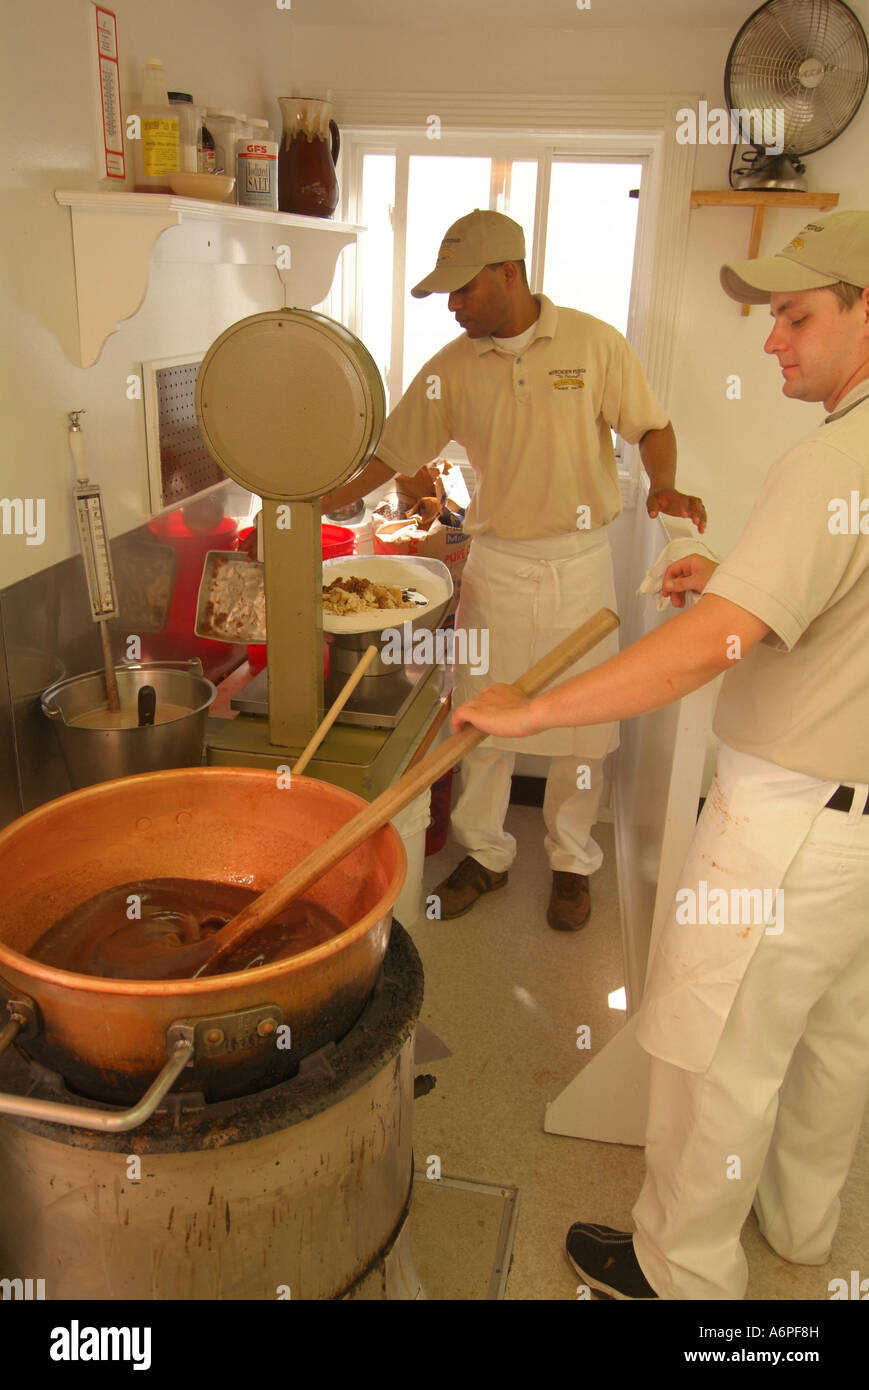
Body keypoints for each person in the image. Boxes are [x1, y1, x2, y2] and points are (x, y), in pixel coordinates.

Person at [452, 208, 869, 1299]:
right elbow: (826, 602)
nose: (771, 340)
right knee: (832, 1042)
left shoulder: (836, 457)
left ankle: (678, 1274)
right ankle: (799, 1228)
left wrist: (533, 713)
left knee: (714, 1059)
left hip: (786, 827)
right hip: (855, 829)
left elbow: (709, 649)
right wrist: (730, 570)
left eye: (794, 316)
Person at [323, 209, 705, 931]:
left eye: (462, 290)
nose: (453, 305)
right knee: (481, 722)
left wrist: (663, 484)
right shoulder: (450, 369)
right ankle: (486, 855)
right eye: (446, 296)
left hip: (580, 565)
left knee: (586, 730)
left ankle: (570, 861)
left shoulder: (593, 345)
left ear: (508, 273)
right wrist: (303, 507)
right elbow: (389, 457)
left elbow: (652, 427)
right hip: (496, 567)